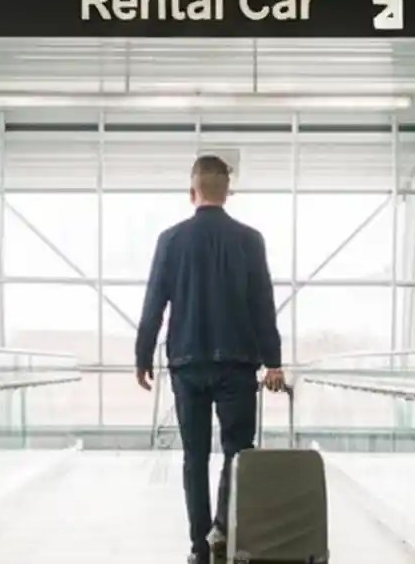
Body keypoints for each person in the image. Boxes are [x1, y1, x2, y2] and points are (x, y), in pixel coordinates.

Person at [135, 155, 285, 563]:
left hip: (187, 362)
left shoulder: (171, 240)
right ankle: (223, 528)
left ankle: (198, 546)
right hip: (238, 364)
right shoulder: (250, 240)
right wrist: (273, 360)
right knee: (239, 452)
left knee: (194, 456)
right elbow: (262, 305)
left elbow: (155, 303)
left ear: (192, 191)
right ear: (227, 191)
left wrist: (142, 354)